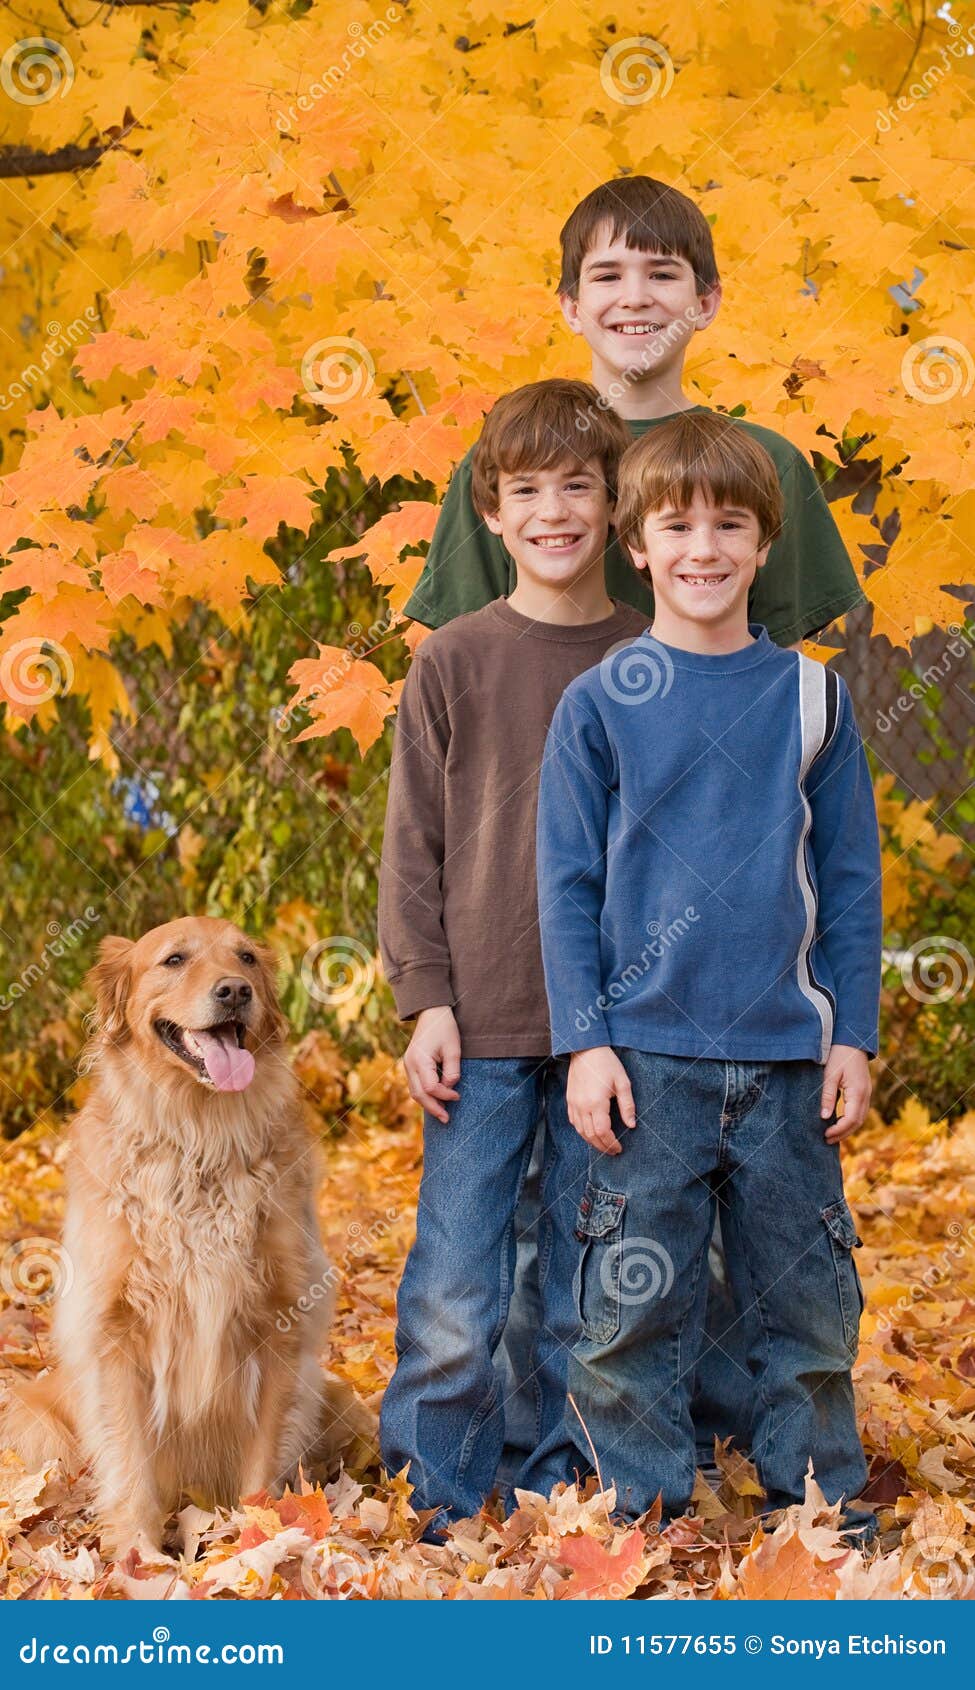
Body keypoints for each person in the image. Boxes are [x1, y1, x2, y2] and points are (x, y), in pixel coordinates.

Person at [536, 410, 881, 1540]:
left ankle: (818, 1512)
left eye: (729, 524)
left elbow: (850, 880)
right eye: (677, 525)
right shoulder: (598, 703)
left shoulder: (814, 699)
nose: (703, 547)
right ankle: (638, 1518)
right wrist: (585, 1042)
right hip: (646, 1063)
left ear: (764, 542)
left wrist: (853, 1034)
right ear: (635, 545)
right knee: (626, 1312)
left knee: (808, 1308)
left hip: (787, 1061)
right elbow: (566, 886)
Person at [377, 380, 648, 1524]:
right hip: (480, 1022)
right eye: (526, 491)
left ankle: (557, 1487)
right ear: (490, 511)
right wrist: (426, 999)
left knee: (584, 1283)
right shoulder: (453, 661)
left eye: (577, 486)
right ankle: (433, 1493)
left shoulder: (651, 655)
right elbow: (413, 844)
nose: (553, 512)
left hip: (615, 1031)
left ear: (615, 504)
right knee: (456, 1279)